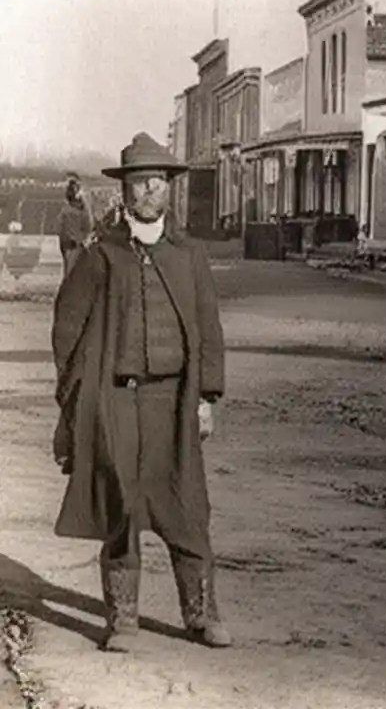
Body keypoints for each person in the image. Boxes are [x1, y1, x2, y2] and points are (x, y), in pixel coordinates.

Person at [51, 132, 231, 652]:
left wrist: (205, 400)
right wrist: (78, 393)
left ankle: (201, 615)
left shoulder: (190, 255)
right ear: (124, 191)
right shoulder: (101, 255)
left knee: (188, 506)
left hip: (174, 402)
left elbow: (209, 329)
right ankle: (122, 620)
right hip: (117, 402)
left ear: (169, 188)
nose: (151, 190)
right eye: (140, 182)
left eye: (159, 181)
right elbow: (67, 326)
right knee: (121, 504)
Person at [57, 172, 94, 276]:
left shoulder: (69, 210)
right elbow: (88, 226)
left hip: (75, 246)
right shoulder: (72, 211)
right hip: (74, 246)